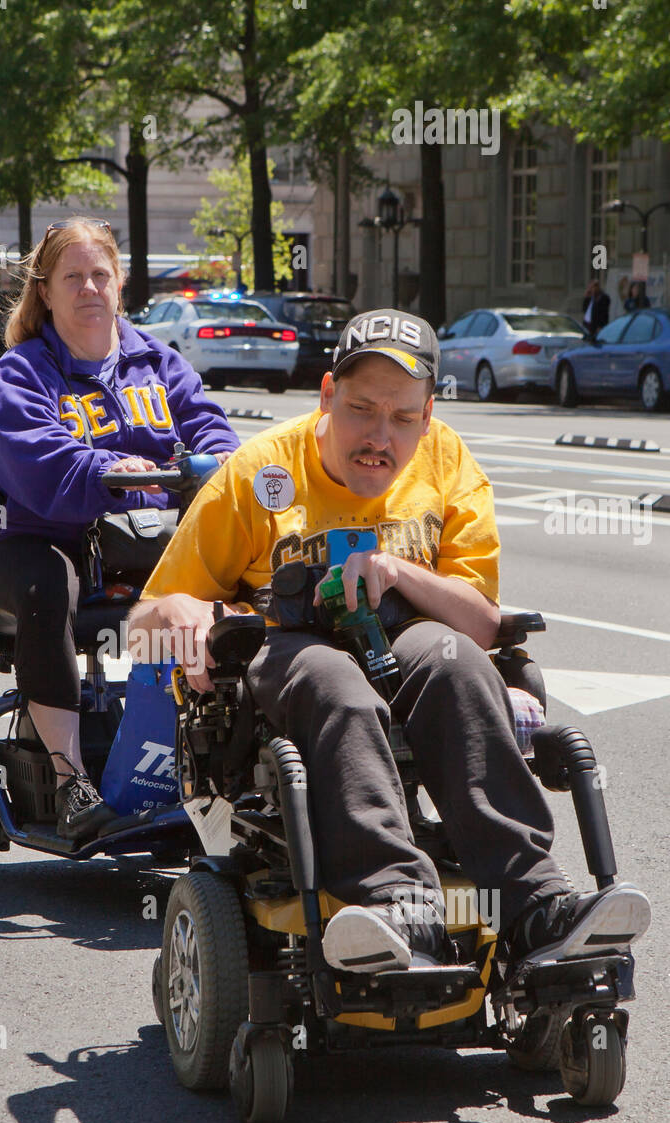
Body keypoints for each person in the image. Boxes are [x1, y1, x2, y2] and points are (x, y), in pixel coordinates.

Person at [129, 309, 650, 974]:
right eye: (361, 409)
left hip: (404, 647)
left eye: (402, 417)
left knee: (458, 660)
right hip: (289, 659)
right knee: (335, 683)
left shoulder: (446, 460)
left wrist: (398, 570)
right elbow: (142, 626)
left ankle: (535, 907)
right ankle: (403, 912)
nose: (379, 435)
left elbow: (482, 621)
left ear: (427, 415)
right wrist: (176, 608)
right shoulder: (258, 472)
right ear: (325, 396)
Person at [0, 216, 239, 842]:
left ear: (119, 284)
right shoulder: (21, 373)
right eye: (73, 277)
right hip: (31, 537)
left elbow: (211, 428)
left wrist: (220, 461)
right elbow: (36, 462)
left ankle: (210, 761)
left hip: (139, 537)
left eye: (101, 275)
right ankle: (69, 780)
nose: (89, 288)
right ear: (46, 291)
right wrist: (108, 468)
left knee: (235, 583)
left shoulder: (157, 361)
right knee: (46, 587)